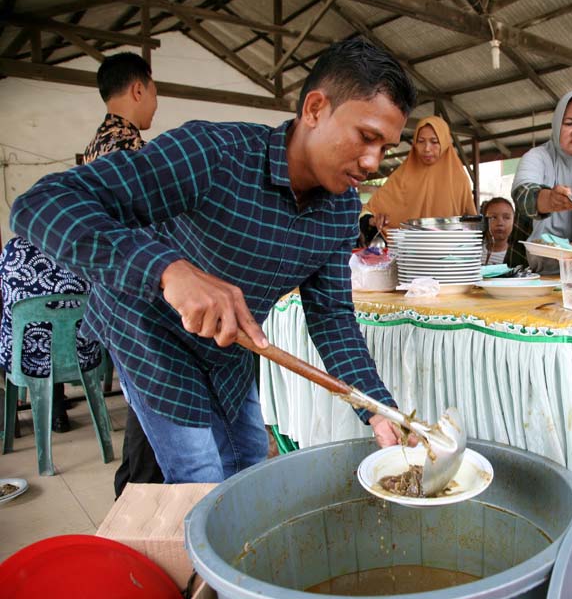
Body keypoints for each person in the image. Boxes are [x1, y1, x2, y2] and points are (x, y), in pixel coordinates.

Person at [11, 37, 418, 483]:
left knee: (248, 465)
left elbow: (333, 318)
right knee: (200, 475)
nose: (373, 161)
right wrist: (168, 270)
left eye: (386, 147)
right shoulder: (215, 154)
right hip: (150, 334)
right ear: (316, 108)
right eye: (367, 137)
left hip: (229, 352)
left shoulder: (340, 209)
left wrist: (378, 410)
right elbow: (41, 203)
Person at [79, 51, 166, 497]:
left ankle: (126, 504)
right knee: (151, 420)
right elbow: (147, 233)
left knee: (140, 414)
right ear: (138, 89)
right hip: (135, 300)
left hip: (108, 296)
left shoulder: (96, 146)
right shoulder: (130, 150)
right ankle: (133, 516)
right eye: (154, 92)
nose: (155, 102)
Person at [0, 238, 101, 432]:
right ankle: (58, 411)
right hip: (83, 355)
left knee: (24, 329)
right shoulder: (84, 247)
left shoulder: (14, 250)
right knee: (57, 330)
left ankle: (22, 422)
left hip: (26, 360)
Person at [508, 91, 572, 273]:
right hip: (529, 271)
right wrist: (550, 199)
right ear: (557, 124)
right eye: (569, 123)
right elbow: (523, 194)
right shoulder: (538, 157)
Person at [364, 115, 475, 230]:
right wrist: (373, 220)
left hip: (448, 247)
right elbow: (368, 212)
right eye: (421, 141)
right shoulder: (401, 177)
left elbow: (471, 223)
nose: (427, 148)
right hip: (407, 247)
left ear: (445, 143)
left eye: (434, 142)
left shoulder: (459, 180)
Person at [481, 197, 515, 265]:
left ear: (514, 221)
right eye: (493, 217)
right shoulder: (476, 253)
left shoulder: (516, 256)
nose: (500, 223)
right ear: (485, 221)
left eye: (506, 217)